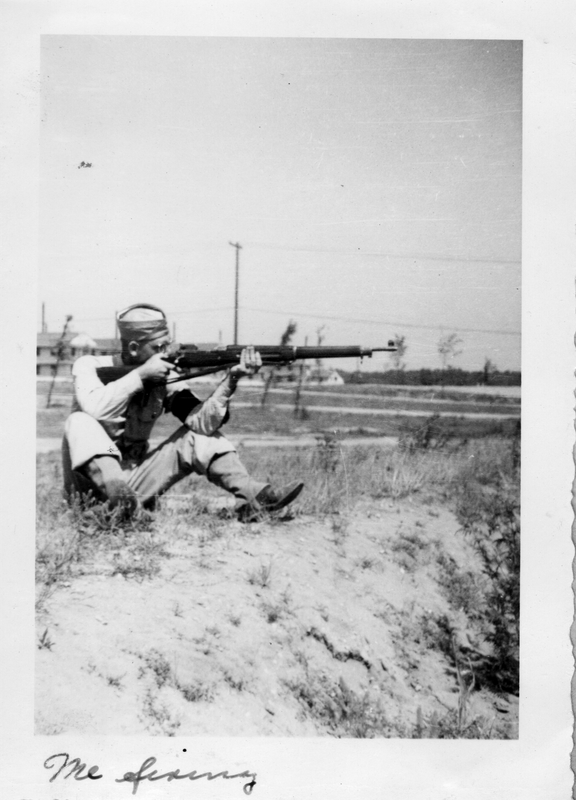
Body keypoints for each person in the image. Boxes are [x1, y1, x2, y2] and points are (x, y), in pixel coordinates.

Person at [62, 303, 304, 521]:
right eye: (159, 346)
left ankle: (254, 497)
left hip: (135, 485)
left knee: (197, 437)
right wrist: (141, 375)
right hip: (88, 493)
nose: (167, 351)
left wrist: (232, 378)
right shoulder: (90, 367)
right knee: (79, 420)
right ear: (134, 348)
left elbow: (203, 424)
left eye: (168, 343)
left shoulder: (165, 377)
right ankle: (121, 503)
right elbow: (97, 409)